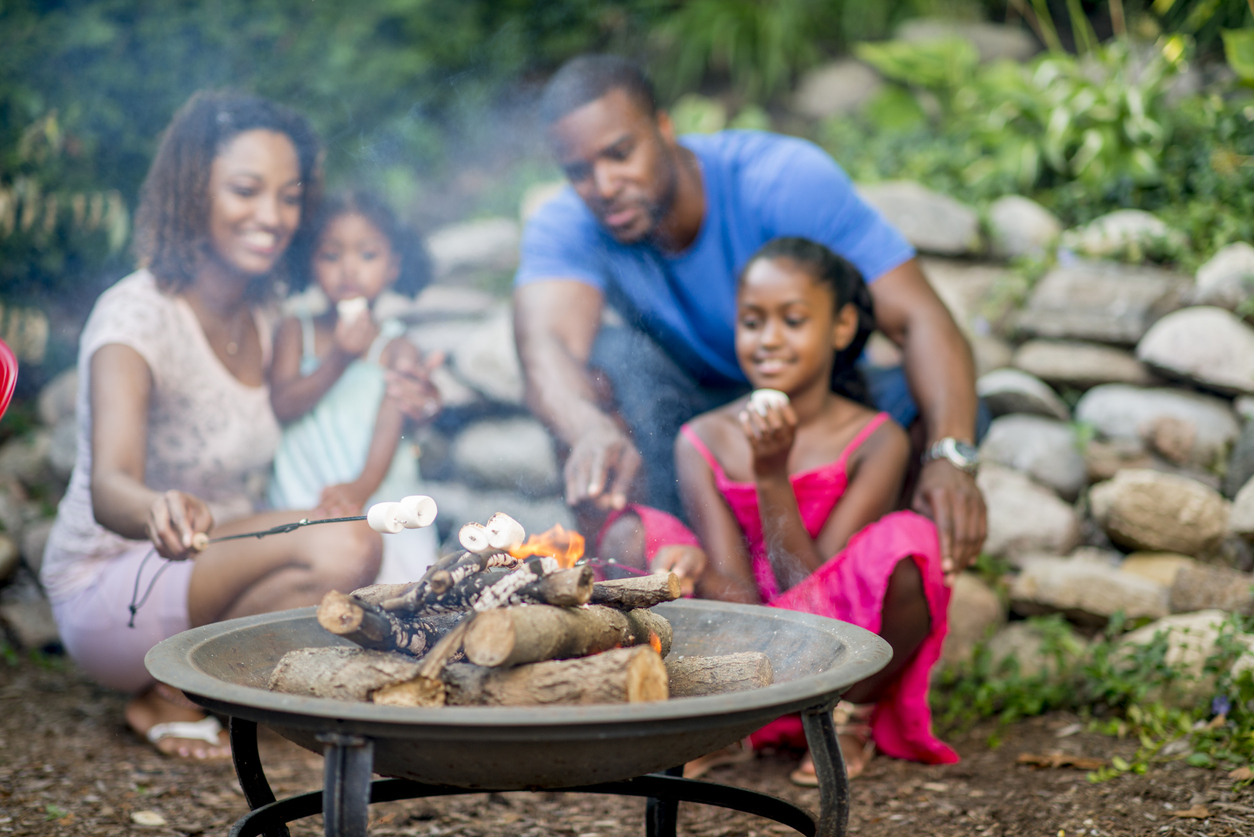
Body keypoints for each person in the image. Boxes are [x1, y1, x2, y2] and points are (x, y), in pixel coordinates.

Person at [39, 92, 435, 761]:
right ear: (193, 192)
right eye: (247, 191)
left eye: (289, 196)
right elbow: (109, 485)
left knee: (357, 549)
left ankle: (225, 689)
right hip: (117, 578)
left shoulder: (269, 308)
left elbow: (355, 371)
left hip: (225, 553)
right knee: (342, 548)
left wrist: (412, 388)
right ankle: (168, 693)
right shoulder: (133, 319)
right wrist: (155, 506)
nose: (273, 217)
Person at [513, 55, 986, 582]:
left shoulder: (780, 181)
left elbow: (920, 317)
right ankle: (658, 580)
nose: (603, 185)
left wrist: (951, 452)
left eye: (620, 154)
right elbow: (545, 348)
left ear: (665, 128)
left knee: (951, 411)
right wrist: (590, 428)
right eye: (578, 171)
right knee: (600, 371)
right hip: (696, 417)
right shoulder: (567, 224)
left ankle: (861, 592)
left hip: (822, 405)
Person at [676, 237, 957, 782]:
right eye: (752, 322)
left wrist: (770, 476)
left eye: (794, 320)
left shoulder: (877, 440)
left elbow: (812, 588)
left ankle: (849, 719)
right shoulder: (702, 439)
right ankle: (727, 720)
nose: (769, 340)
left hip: (838, 640)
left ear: (842, 327)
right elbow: (735, 591)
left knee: (911, 544)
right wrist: (693, 566)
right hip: (744, 635)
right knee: (639, 537)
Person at [268, 189, 442, 583]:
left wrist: (360, 488)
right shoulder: (297, 330)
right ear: (310, 263)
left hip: (375, 499)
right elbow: (283, 403)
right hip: (306, 494)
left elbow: (389, 425)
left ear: (393, 267)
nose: (349, 269)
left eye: (367, 255)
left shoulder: (397, 346)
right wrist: (339, 359)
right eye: (331, 255)